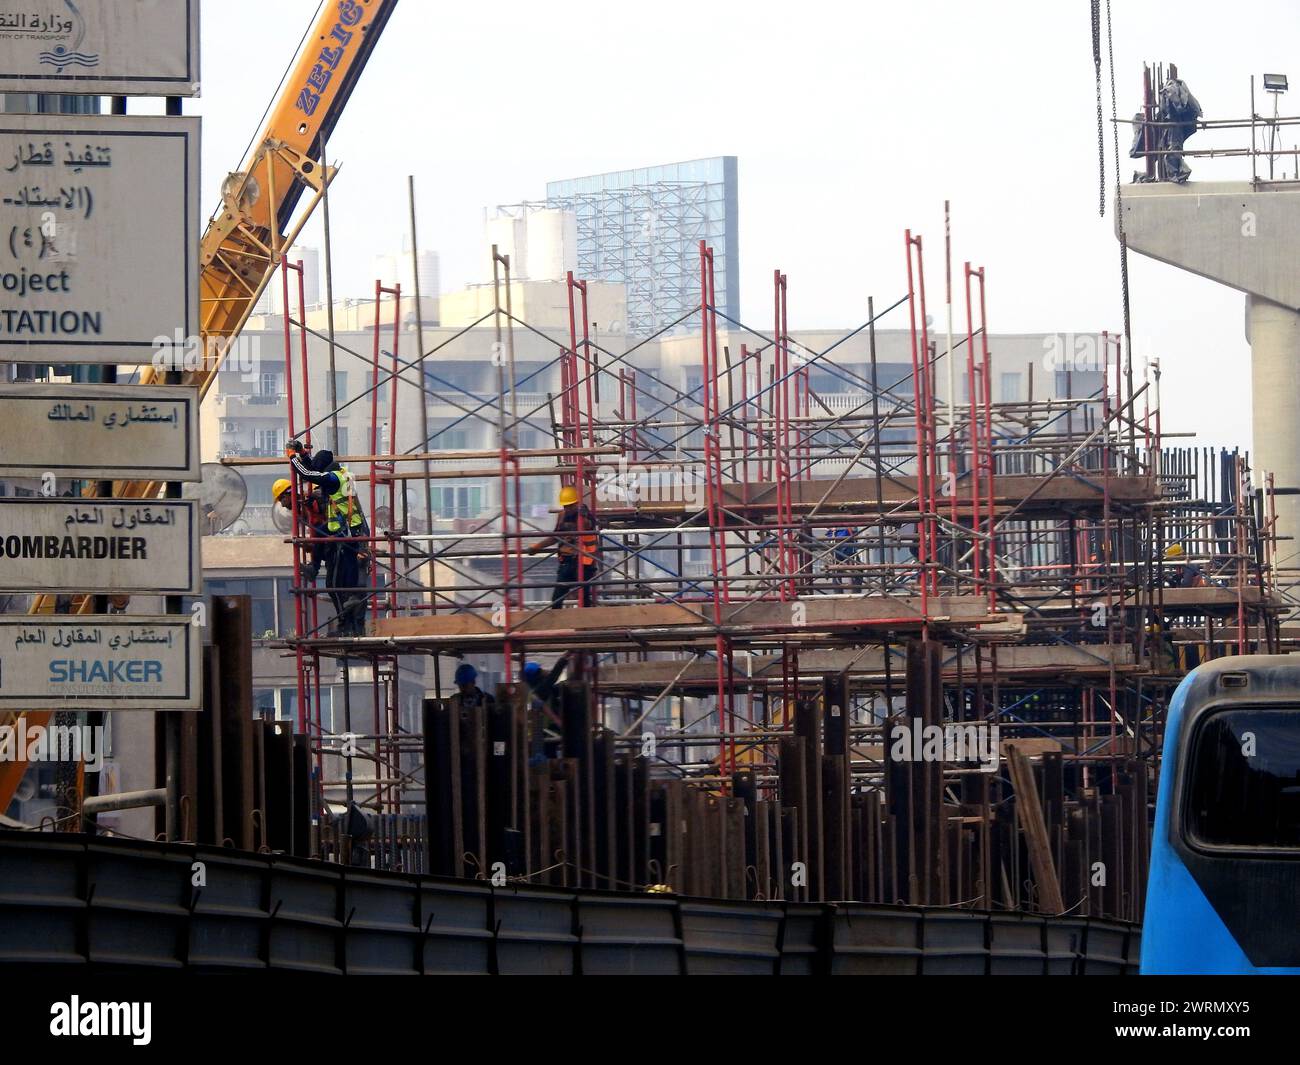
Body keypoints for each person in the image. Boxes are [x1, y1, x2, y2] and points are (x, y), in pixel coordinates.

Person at [287, 444, 371, 637]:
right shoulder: (339, 475)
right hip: (344, 532)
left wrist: (292, 457)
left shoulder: (333, 479)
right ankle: (346, 625)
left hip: (347, 535)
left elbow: (309, 474)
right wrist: (302, 453)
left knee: (336, 583)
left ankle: (349, 627)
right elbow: (313, 471)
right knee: (337, 580)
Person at [528, 485, 600, 608]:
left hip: (584, 562)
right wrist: (536, 547)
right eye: (565, 506)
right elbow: (555, 537)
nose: (568, 508)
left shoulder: (585, 514)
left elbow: (587, 527)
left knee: (584, 598)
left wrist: (582, 515)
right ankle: (555, 623)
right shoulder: (562, 516)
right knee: (557, 598)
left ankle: (587, 623)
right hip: (567, 562)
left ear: (577, 503)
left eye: (570, 505)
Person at [521, 657, 567, 766]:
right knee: (549, 759)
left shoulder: (532, 691)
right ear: (538, 675)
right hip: (546, 732)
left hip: (540, 733)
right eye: (540, 670)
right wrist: (563, 660)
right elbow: (553, 677)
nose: (544, 670)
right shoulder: (540, 691)